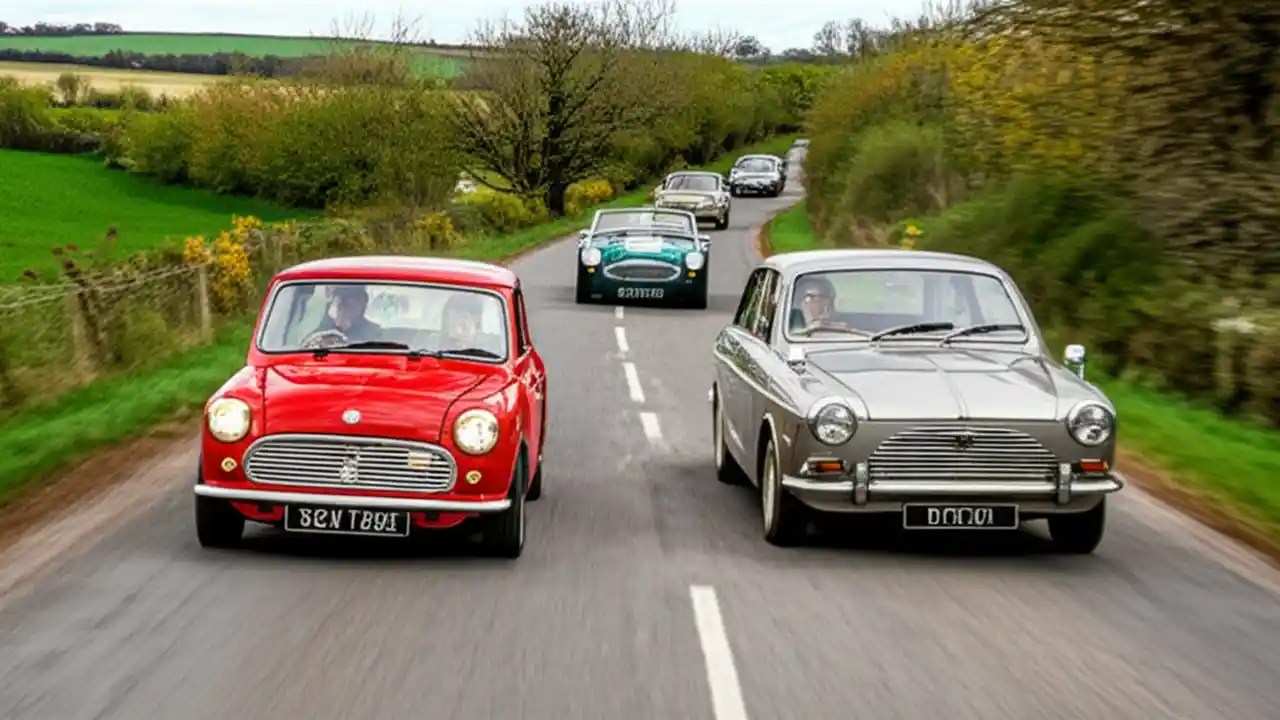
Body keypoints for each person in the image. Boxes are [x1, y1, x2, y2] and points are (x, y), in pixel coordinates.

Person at [313, 285, 382, 343]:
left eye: (350, 305)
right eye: (342, 305)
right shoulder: (320, 332)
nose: (346, 310)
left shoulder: (376, 335)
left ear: (363, 302)